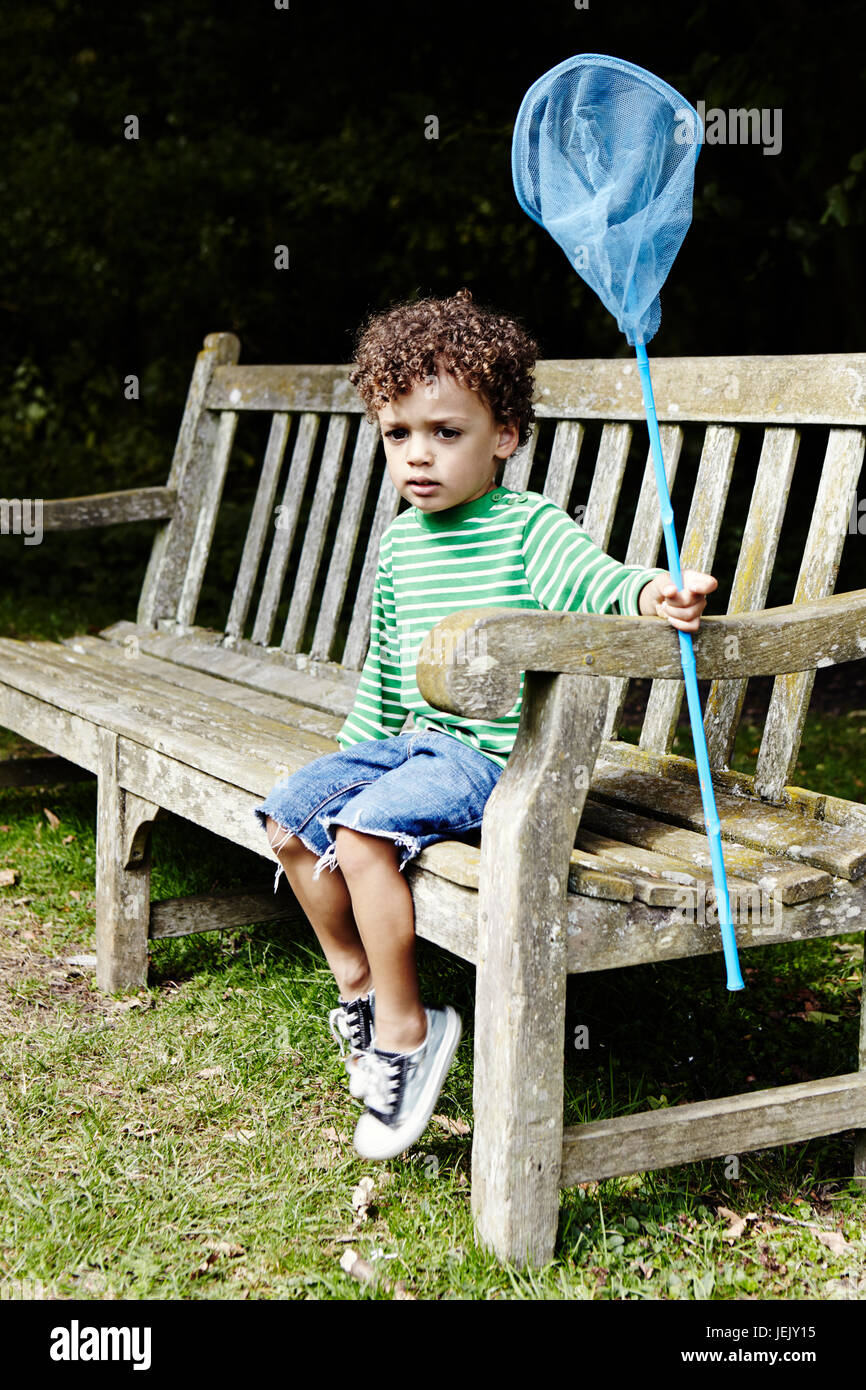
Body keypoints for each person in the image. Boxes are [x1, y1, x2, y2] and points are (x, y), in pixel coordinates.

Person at [253, 288, 717, 1162]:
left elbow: (602, 583)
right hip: (417, 745)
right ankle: (357, 983)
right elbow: (389, 676)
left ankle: (407, 1031)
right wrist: (358, 756)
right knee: (288, 815)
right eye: (398, 436)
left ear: (504, 434)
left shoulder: (526, 528)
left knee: (359, 835)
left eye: (446, 432)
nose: (417, 456)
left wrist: (660, 592)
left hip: (497, 760)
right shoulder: (400, 542)